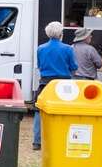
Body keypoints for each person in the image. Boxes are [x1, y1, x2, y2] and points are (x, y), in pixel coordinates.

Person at [32, 21, 78, 151]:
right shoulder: (68, 49)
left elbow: (40, 66)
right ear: (61, 34)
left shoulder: (41, 48)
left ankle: (37, 141)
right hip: (64, 83)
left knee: (39, 111)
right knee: (64, 111)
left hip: (45, 83)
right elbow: (74, 67)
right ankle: (62, 138)